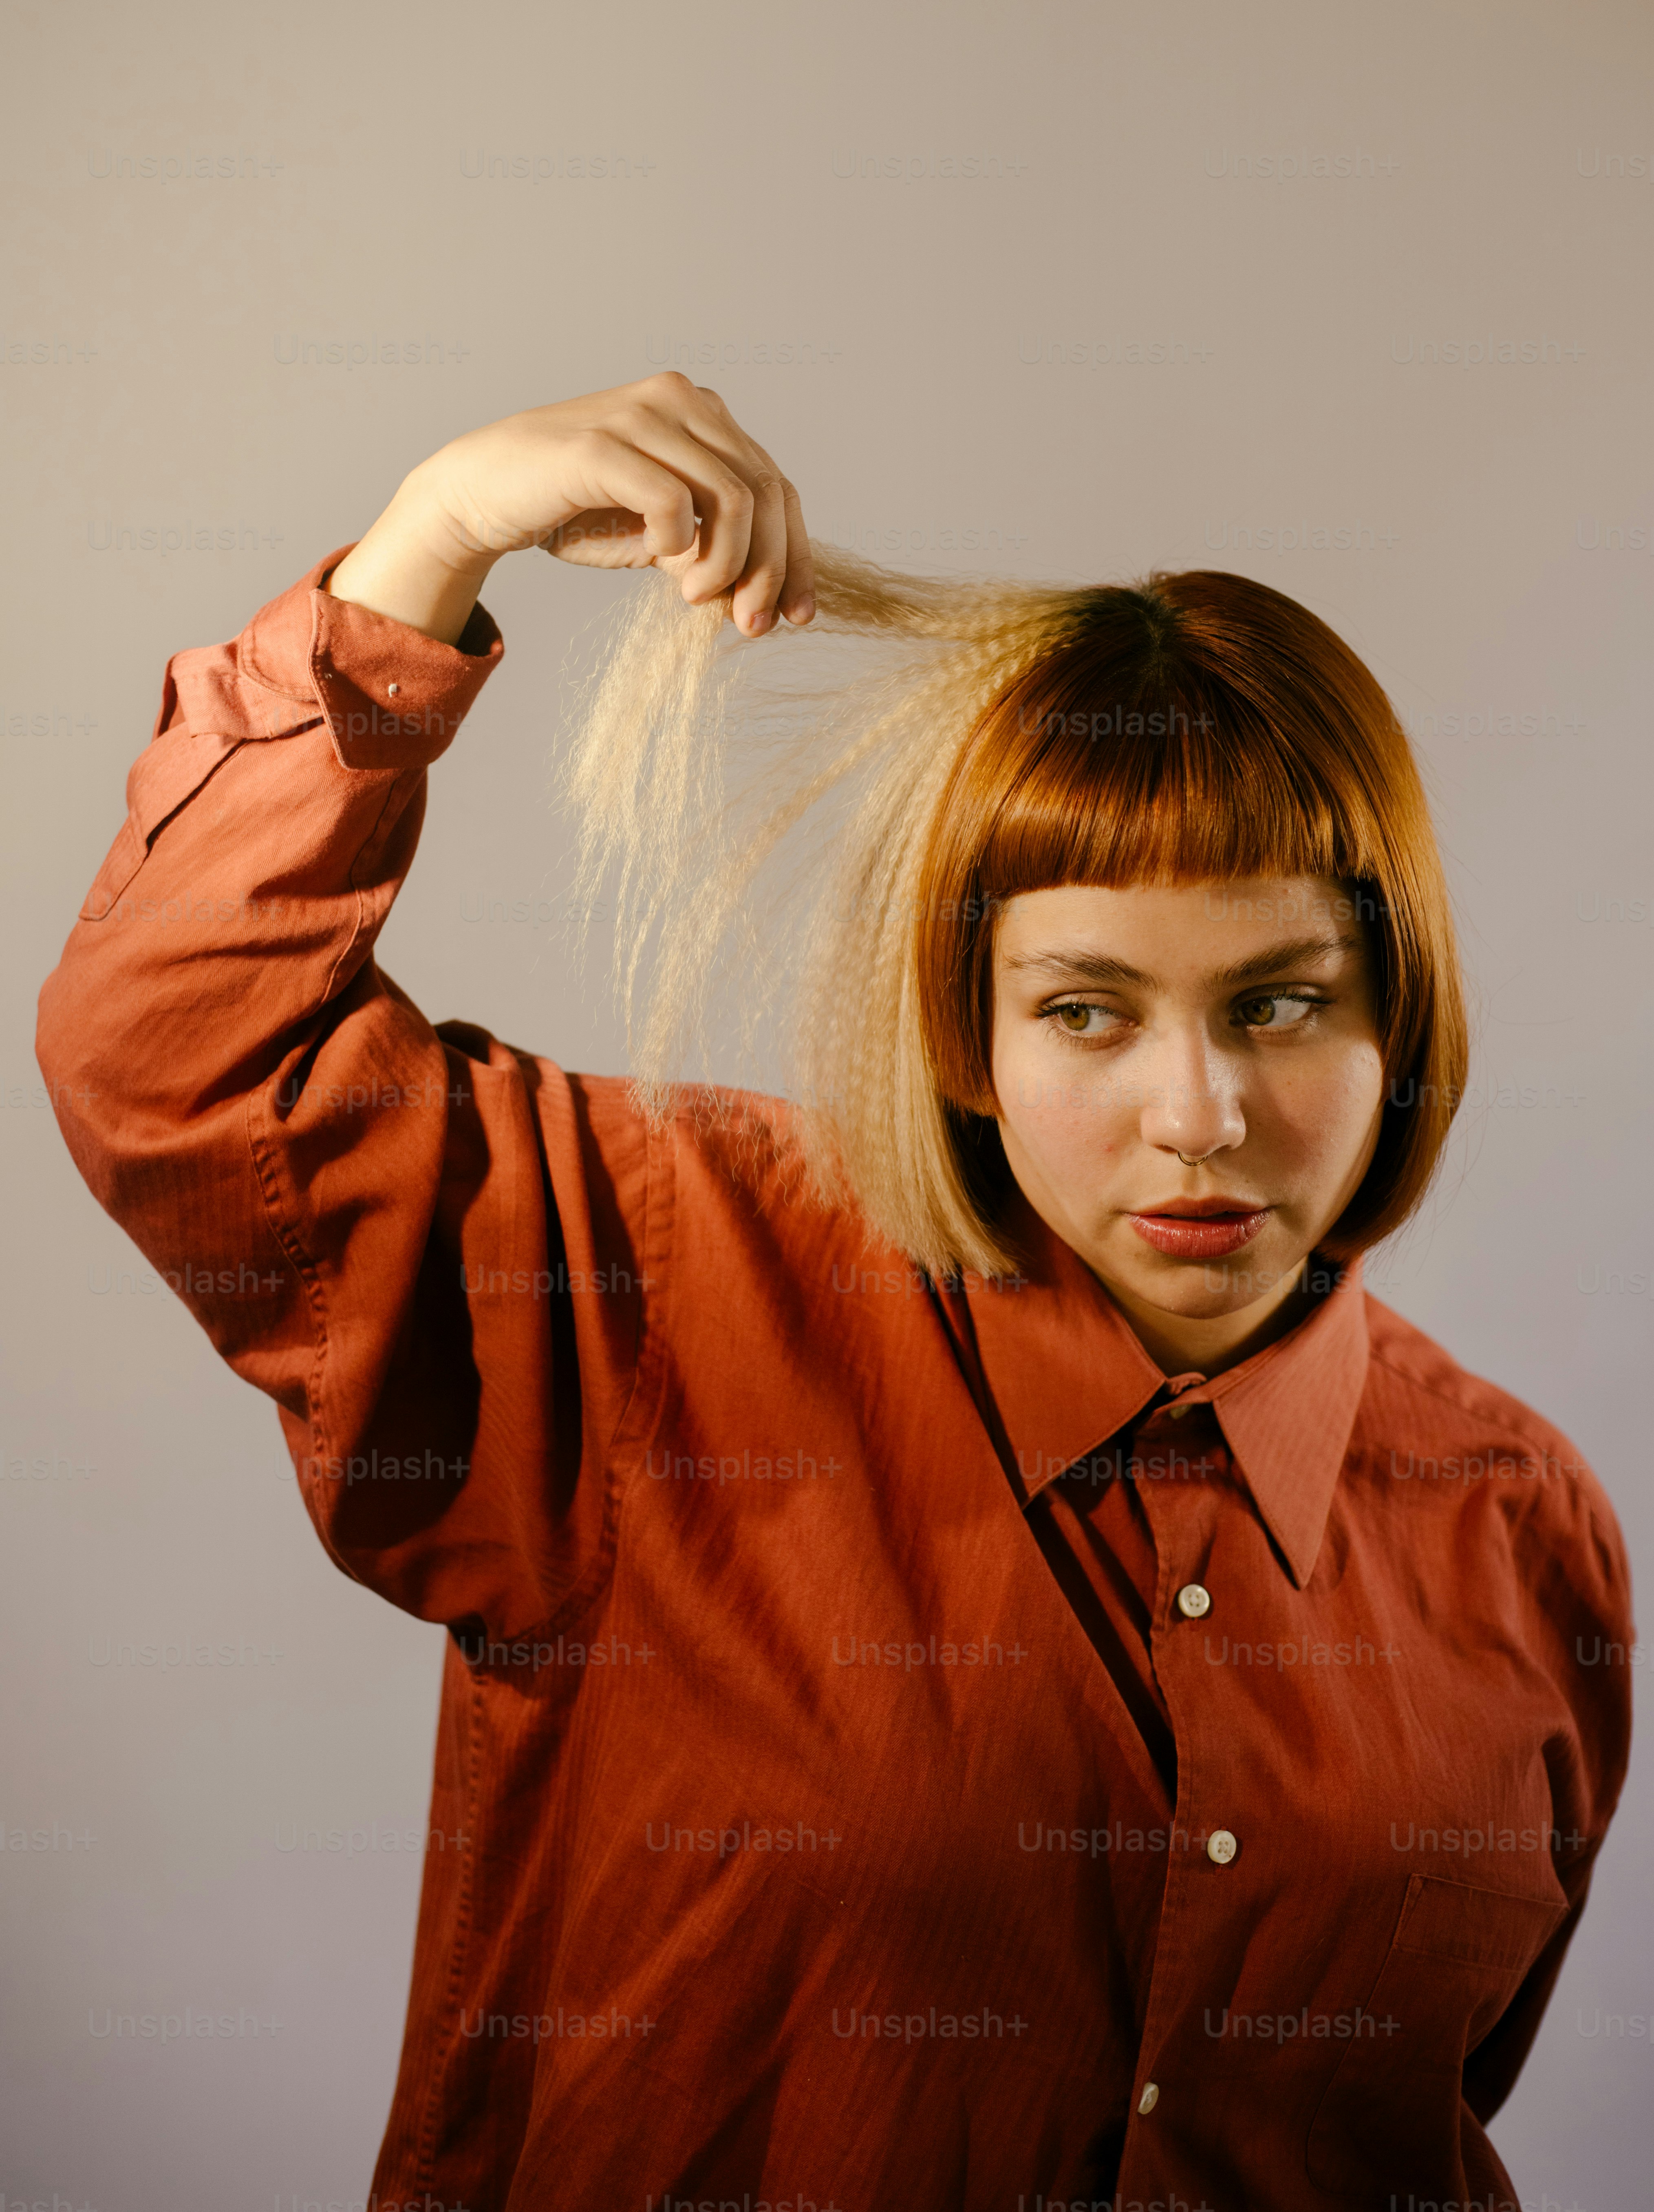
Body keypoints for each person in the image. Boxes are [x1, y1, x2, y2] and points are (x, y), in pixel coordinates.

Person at [37, 374, 1630, 2210]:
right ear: (963, 1035)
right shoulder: (653, 1291)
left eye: (1280, 1001)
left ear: (1397, 1017)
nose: (1200, 1120)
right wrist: (434, 541)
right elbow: (172, 1059)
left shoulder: (1526, 1537)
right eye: (1086, 1010)